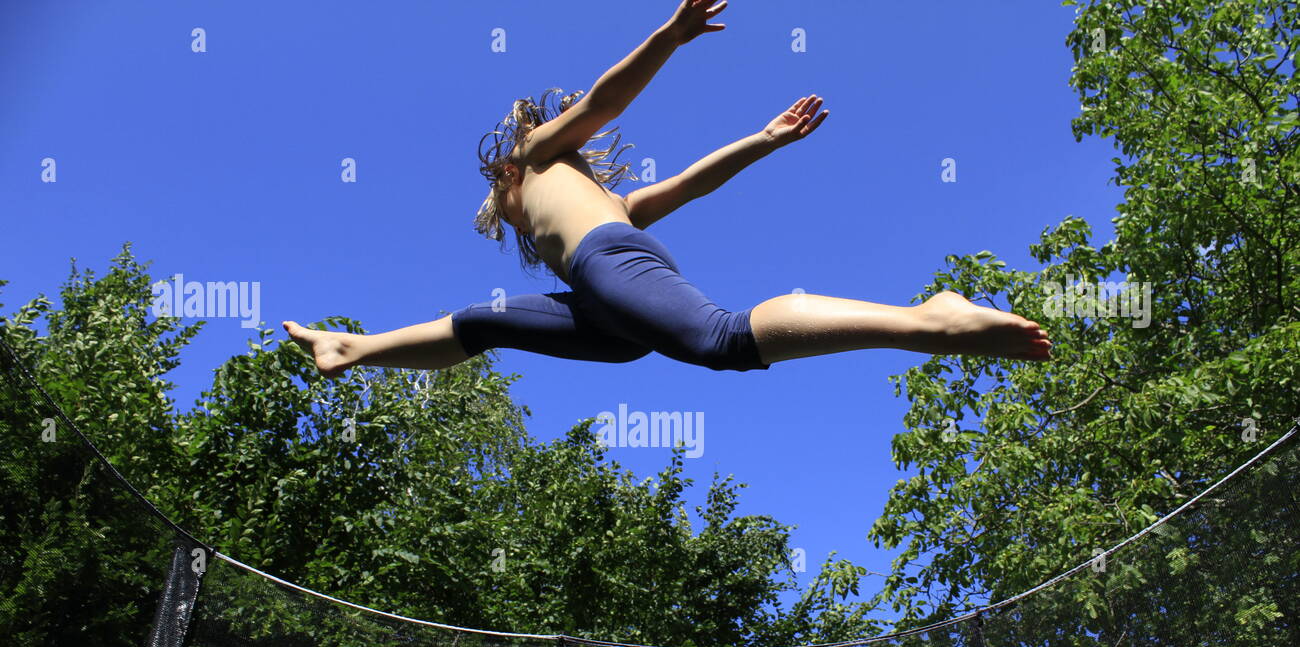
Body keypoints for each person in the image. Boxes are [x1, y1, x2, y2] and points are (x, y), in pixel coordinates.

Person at [285, 0, 1052, 379]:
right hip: (605, 309)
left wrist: (667, 39)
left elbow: (603, 104)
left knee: (722, 340)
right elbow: (692, 182)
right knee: (479, 324)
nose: (502, 214)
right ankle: (351, 346)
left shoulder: (542, 154)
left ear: (509, 170)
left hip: (609, 270)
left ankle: (928, 320)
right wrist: (762, 140)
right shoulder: (613, 206)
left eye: (498, 201)